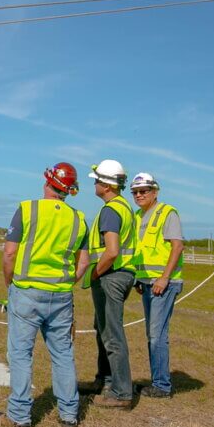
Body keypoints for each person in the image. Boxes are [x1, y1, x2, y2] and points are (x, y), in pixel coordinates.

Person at [0, 162, 90, 427]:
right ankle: (69, 415)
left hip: (26, 292)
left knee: (21, 354)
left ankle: (19, 416)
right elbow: (83, 264)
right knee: (62, 354)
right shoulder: (79, 219)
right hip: (61, 295)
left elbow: (9, 254)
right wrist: (66, 283)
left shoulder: (27, 209)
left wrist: (9, 283)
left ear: (47, 182)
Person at [82, 158, 137, 409]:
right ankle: (104, 380)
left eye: (97, 180)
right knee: (103, 327)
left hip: (111, 277)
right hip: (120, 276)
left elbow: (111, 251)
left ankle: (121, 392)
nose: (94, 184)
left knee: (112, 333)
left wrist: (94, 274)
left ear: (106, 185)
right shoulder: (124, 207)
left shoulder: (110, 210)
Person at [130, 173, 184, 399]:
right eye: (135, 192)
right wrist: (138, 278)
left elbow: (177, 247)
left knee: (157, 334)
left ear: (155, 192)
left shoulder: (166, 213)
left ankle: (162, 386)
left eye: (144, 191)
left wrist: (164, 278)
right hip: (147, 282)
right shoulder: (137, 216)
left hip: (164, 283)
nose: (139, 195)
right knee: (151, 334)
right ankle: (157, 381)